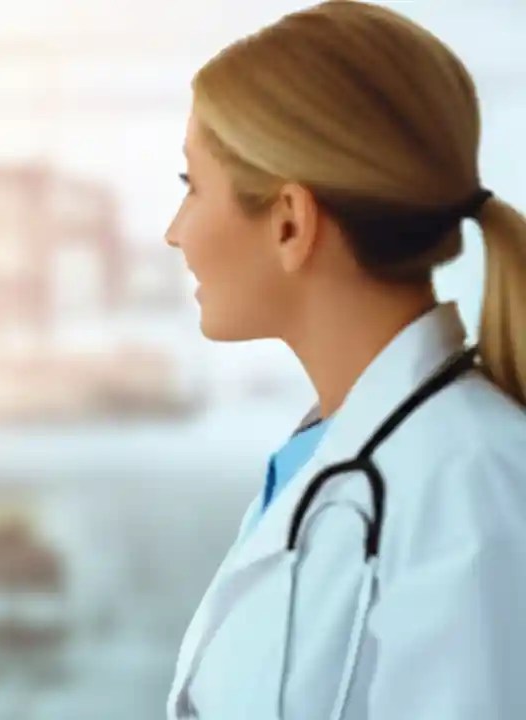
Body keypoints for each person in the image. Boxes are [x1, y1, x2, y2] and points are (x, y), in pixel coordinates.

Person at [162, 2, 526, 719]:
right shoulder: (331, 455)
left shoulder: (468, 485)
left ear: (291, 222)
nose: (176, 233)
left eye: (191, 188)